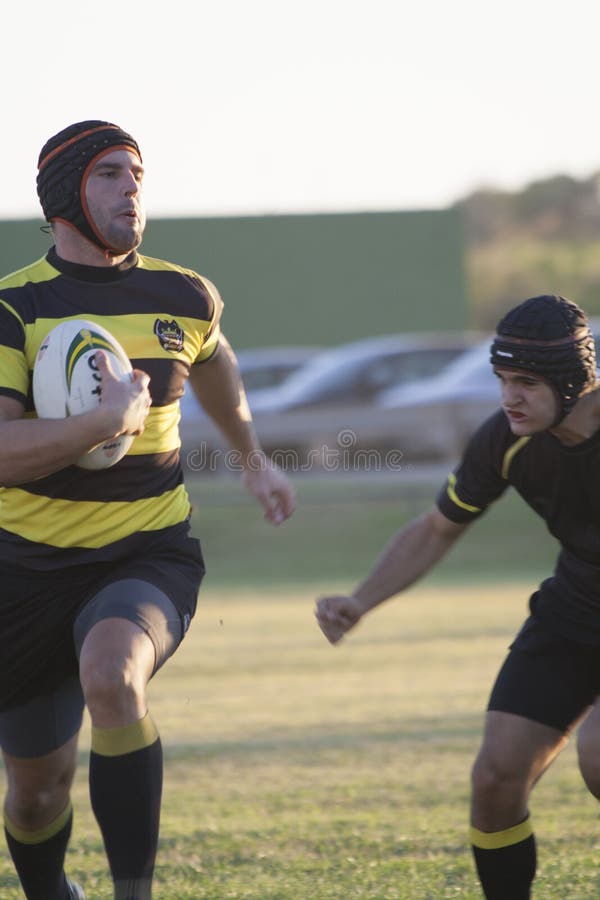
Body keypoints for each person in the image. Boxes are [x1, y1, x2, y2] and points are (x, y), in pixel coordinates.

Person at [0, 120, 295, 900]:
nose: (131, 187)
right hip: (23, 574)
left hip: (145, 553)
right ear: (65, 195)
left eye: (137, 173)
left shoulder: (184, 295)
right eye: (109, 173)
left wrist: (252, 458)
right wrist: (104, 422)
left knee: (113, 675)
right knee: (34, 796)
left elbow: (215, 362)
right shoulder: (14, 306)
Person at [316, 293, 600, 899]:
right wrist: (360, 601)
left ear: (572, 381)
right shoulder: (505, 440)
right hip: (575, 611)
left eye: (526, 383)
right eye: (502, 379)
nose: (508, 397)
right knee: (496, 778)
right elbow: (437, 528)